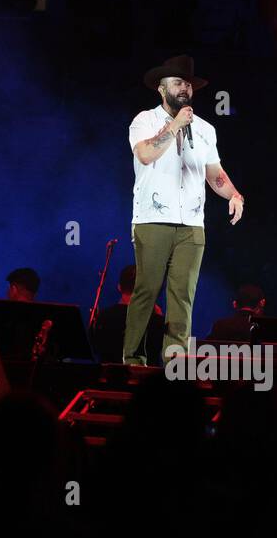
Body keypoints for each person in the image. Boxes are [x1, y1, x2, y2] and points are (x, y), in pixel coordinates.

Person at [124, 55, 244, 365]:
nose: (185, 89)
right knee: (146, 291)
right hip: (152, 220)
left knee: (182, 297)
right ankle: (133, 360)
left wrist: (233, 193)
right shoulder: (144, 121)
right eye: (178, 83)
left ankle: (174, 363)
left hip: (192, 225)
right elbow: (146, 154)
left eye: (188, 84)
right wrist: (174, 126)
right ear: (161, 89)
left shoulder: (204, 129)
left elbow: (214, 173)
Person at [92, 264, 163, 363]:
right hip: (146, 377)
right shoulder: (156, 320)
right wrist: (159, 318)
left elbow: (95, 349)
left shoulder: (103, 316)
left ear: (119, 287)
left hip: (108, 376)